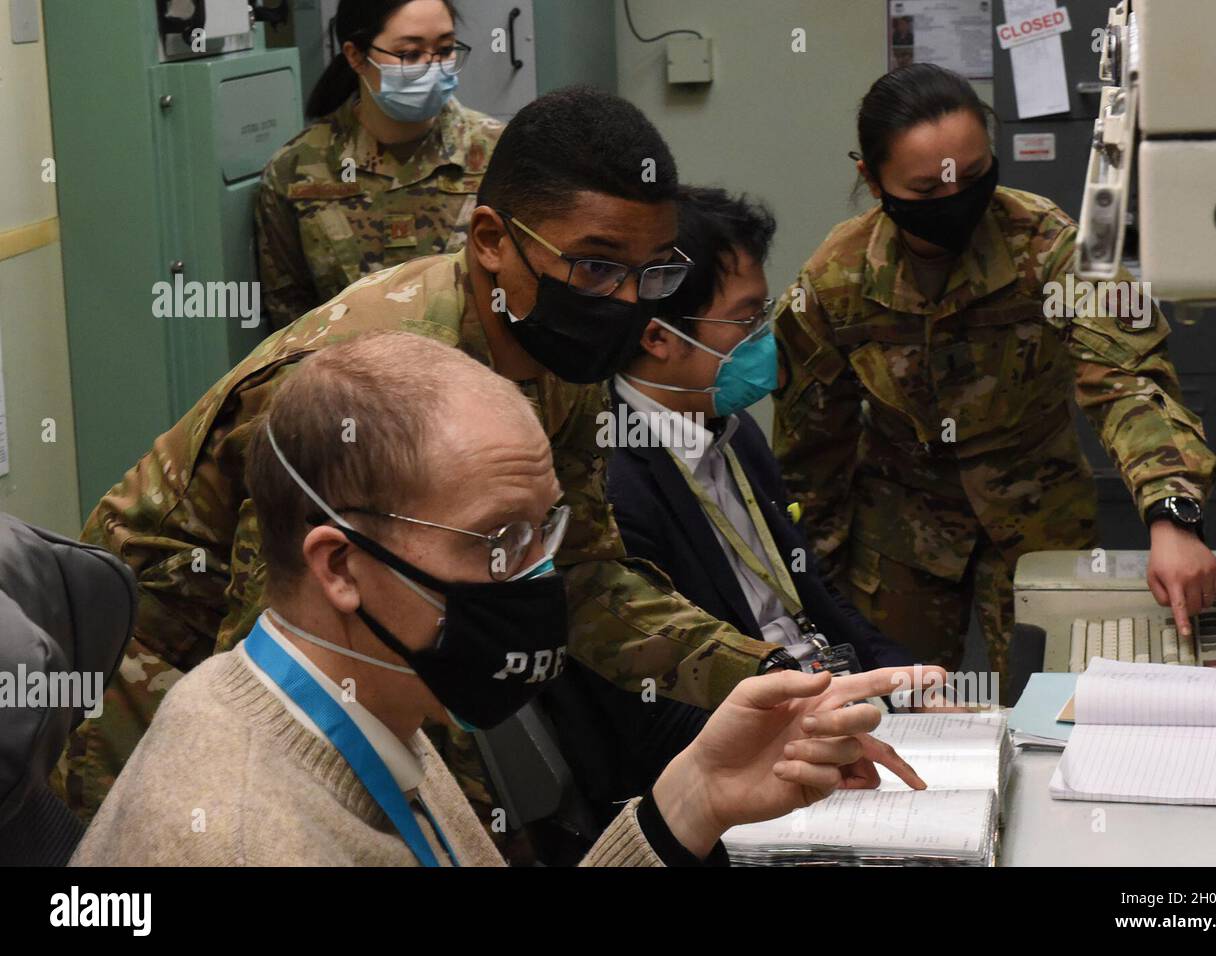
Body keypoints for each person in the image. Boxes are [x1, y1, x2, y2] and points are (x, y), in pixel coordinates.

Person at [59, 88, 791, 840]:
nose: (630, 303)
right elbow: (292, 661)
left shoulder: (555, 342)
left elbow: (582, 575)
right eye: (599, 268)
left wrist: (769, 676)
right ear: (490, 240)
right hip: (164, 643)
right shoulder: (365, 389)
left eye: (653, 273)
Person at [69, 333, 933, 867]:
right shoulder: (244, 837)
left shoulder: (364, 699)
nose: (541, 578)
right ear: (339, 567)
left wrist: (695, 797)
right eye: (499, 543)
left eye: (545, 532)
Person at [773, 64, 1216, 688]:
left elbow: (1125, 375)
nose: (955, 200)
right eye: (927, 191)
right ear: (872, 181)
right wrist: (807, 586)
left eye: (974, 176)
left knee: (1060, 699)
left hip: (1039, 512)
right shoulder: (834, 280)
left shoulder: (1051, 247)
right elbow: (810, 447)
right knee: (896, 707)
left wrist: (1172, 514)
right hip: (901, 532)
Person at [559, 186, 916, 807]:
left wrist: (909, 682)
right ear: (658, 338)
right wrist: (818, 734)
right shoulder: (611, 484)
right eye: (747, 319)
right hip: (746, 765)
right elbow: (657, 714)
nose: (765, 337)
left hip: (823, 710)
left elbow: (811, 596)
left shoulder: (733, 430)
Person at [256, 0, 503, 331]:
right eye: (410, 55)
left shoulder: (498, 153)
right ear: (356, 56)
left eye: (444, 49)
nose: (433, 68)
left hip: (478, 378)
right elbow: (289, 318)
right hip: (348, 378)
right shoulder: (296, 170)